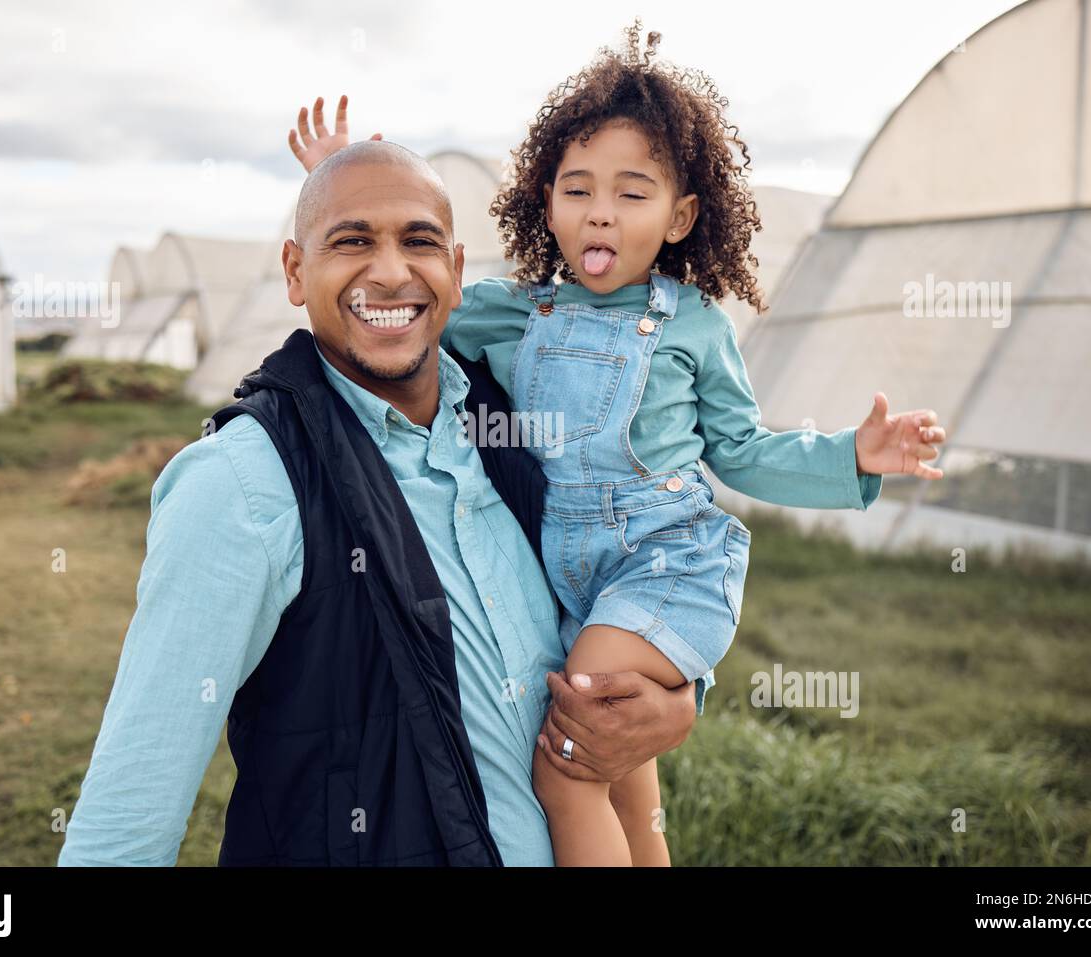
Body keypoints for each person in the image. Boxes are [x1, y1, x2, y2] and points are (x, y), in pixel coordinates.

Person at [288, 23, 946, 866]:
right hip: (568, 580)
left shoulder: (694, 325)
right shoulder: (517, 310)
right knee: (630, 786)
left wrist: (851, 455)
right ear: (545, 201)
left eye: (633, 194)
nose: (601, 210)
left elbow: (740, 451)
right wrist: (340, 186)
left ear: (680, 217)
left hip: (666, 561)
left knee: (568, 768)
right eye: (578, 189)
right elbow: (401, 298)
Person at [57, 136, 703, 867]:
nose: (391, 271)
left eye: (419, 241)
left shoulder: (514, 429)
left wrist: (678, 700)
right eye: (351, 240)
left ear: (457, 273)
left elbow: (641, 556)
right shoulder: (241, 483)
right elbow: (126, 825)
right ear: (296, 271)